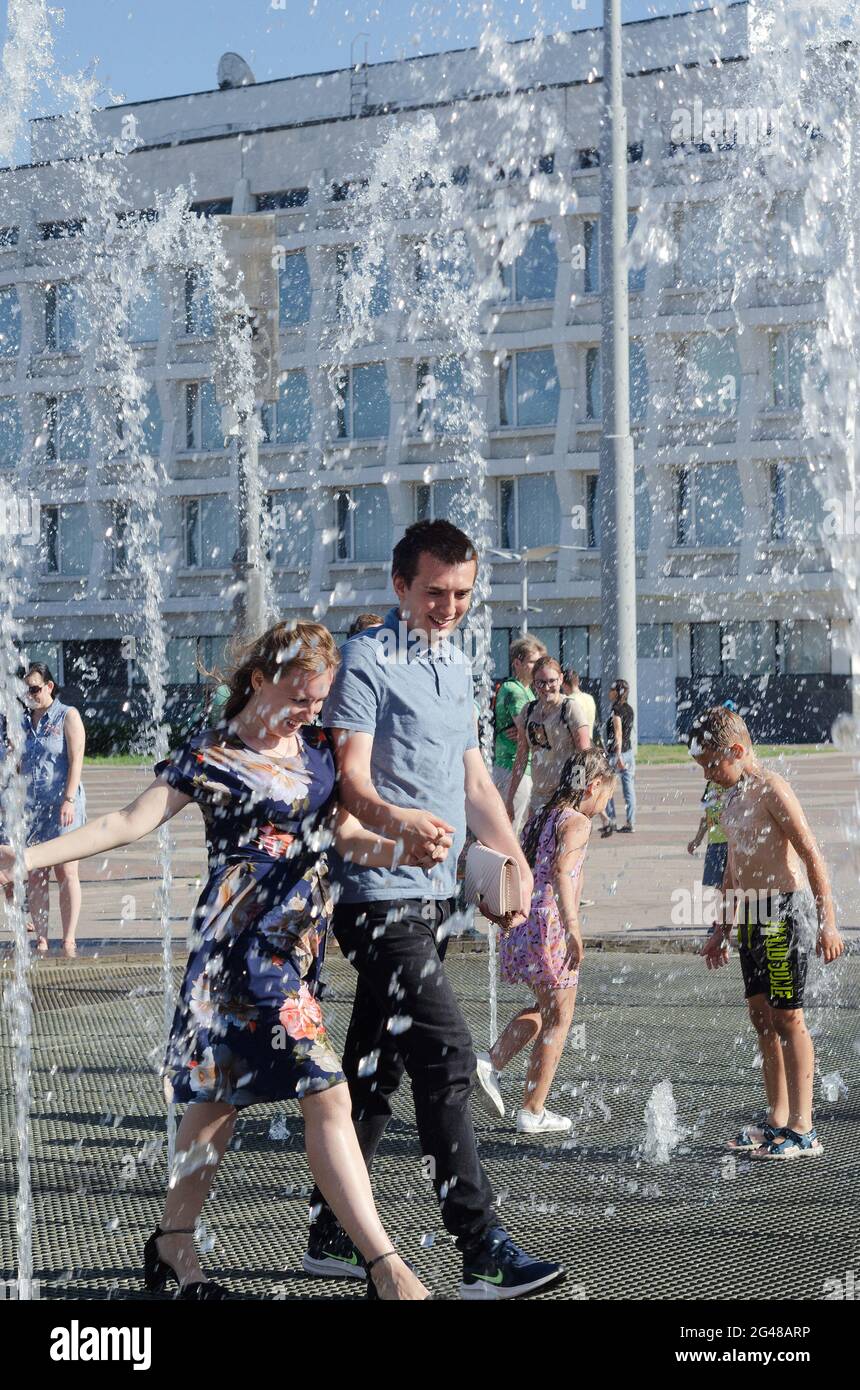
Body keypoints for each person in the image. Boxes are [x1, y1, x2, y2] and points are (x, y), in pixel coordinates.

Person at [1, 620, 439, 1300]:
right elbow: (128, 821)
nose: (311, 712)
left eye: (319, 701)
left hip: (295, 953)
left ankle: (174, 1246)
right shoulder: (212, 754)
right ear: (262, 681)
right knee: (325, 1085)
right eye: (300, 697)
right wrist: (27, 857)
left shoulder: (319, 748)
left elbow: (343, 836)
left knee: (216, 1100)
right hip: (238, 952)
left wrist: (399, 850)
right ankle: (386, 1266)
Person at [305, 519, 565, 1300]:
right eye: (434, 593)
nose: (449, 607)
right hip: (377, 895)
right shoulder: (367, 660)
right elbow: (350, 782)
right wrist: (400, 824)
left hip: (439, 898)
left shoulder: (459, 667)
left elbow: (476, 782)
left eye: (461, 593)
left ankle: (331, 1234)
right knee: (449, 1057)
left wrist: (514, 862)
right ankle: (481, 1247)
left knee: (374, 1069)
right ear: (399, 587)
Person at [689, 705, 844, 1158]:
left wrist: (828, 922)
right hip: (753, 917)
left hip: (784, 913)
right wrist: (721, 928)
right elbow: (733, 871)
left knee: (787, 1016)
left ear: (737, 750)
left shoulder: (772, 789)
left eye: (713, 764)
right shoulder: (732, 795)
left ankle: (803, 1128)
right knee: (761, 1016)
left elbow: (811, 854)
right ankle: (777, 1117)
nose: (709, 776)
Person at [475, 750, 615, 1134]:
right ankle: (532, 1110)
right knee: (561, 1017)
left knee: (546, 1007)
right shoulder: (577, 823)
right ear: (593, 785)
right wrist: (573, 926)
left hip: (525, 922)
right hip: (551, 925)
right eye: (606, 794)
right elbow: (562, 873)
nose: (606, 804)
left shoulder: (542, 816)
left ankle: (491, 1063)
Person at [20, 664, 86, 957]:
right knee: (35, 874)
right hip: (33, 809)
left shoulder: (67, 716)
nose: (29, 695)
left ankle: (69, 938)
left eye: (34, 688)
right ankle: (43, 939)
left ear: (49, 686)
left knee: (67, 871)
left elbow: (76, 759)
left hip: (63, 806)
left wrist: (69, 799)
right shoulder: (22, 721)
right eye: (26, 690)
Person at [506, 656, 591, 827]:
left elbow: (584, 755)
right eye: (540, 682)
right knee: (534, 849)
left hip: (565, 797)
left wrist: (575, 797)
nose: (546, 687)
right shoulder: (529, 711)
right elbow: (522, 757)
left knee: (559, 851)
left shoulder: (570, 708)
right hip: (538, 797)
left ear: (560, 679)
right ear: (533, 683)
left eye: (552, 681)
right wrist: (510, 798)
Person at [492, 636, 546, 837]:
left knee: (518, 831)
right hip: (512, 769)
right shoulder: (514, 690)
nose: (538, 667)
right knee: (510, 833)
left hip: (519, 768)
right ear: (517, 663)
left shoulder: (527, 691)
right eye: (533, 662)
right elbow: (526, 731)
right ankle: (508, 869)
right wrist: (537, 732)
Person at [601, 679, 635, 837]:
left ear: (617, 692)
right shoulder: (629, 709)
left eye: (612, 689)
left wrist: (619, 754)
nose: (609, 692)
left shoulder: (616, 710)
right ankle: (630, 822)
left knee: (608, 788)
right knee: (629, 789)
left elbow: (618, 733)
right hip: (629, 754)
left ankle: (612, 820)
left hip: (617, 755)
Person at [687, 780, 729, 888]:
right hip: (714, 844)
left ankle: (733, 904)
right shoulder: (710, 786)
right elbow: (706, 818)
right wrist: (697, 840)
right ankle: (727, 904)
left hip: (732, 844)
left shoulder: (734, 784)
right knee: (719, 885)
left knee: (732, 885)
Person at [561, 669, 596, 742]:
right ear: (577, 682)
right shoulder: (590, 698)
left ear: (564, 685)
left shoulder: (569, 700)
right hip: (589, 743)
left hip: (575, 745)